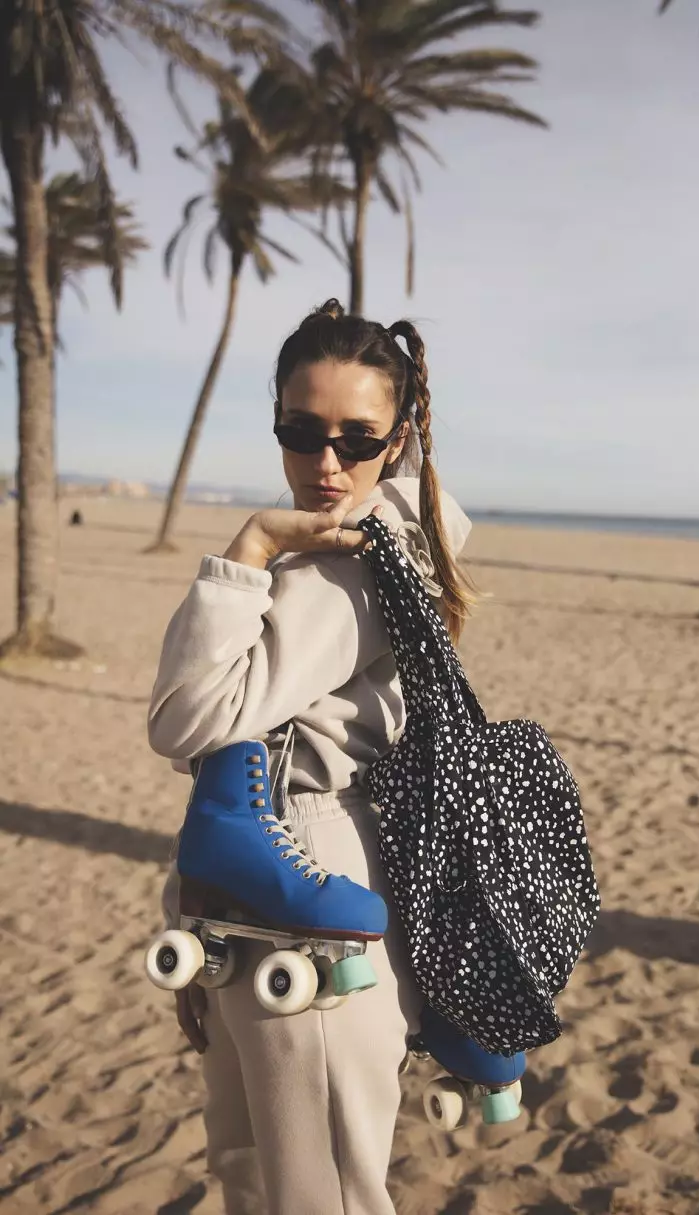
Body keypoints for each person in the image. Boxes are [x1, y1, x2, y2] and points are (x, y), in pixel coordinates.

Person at [147, 298, 474, 1215]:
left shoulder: (352, 562)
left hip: (310, 870)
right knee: (261, 1176)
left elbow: (184, 719)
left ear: (399, 435)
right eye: (301, 430)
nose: (327, 464)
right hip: (273, 868)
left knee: (313, 1192)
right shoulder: (357, 546)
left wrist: (247, 547)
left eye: (357, 438)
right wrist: (198, 916)